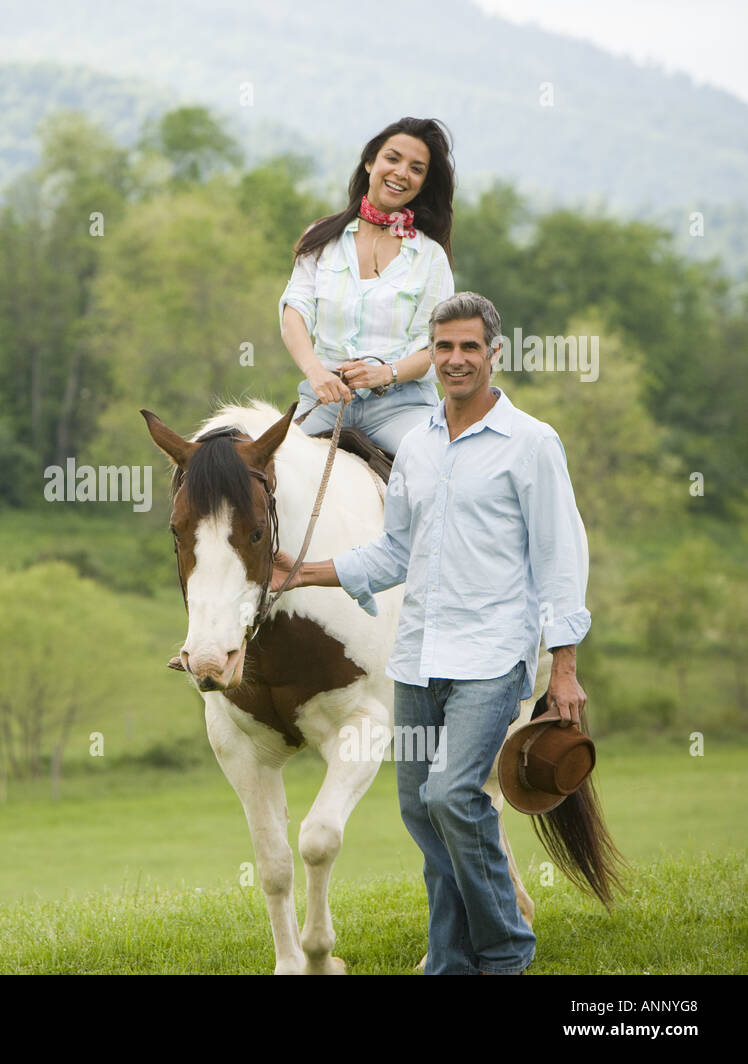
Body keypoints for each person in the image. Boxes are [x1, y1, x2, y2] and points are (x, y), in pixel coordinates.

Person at [268, 291, 591, 975]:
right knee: (421, 809)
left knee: (453, 796)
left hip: (493, 655)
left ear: (494, 354)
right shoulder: (416, 446)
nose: (455, 359)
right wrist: (302, 572)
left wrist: (562, 666)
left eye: (469, 347)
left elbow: (562, 557)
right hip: (417, 658)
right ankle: (449, 960)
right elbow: (392, 554)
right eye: (443, 347)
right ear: (432, 355)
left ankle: (504, 951)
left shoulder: (531, 443)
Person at [279, 117, 456, 455]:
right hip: (326, 400)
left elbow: (433, 350)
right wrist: (316, 372)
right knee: (262, 469)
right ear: (370, 162)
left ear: (423, 183)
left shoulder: (430, 257)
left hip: (401, 407)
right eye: (393, 159)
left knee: (434, 466)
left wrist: (385, 374)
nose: (402, 172)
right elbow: (294, 314)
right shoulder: (322, 238)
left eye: (416, 169)